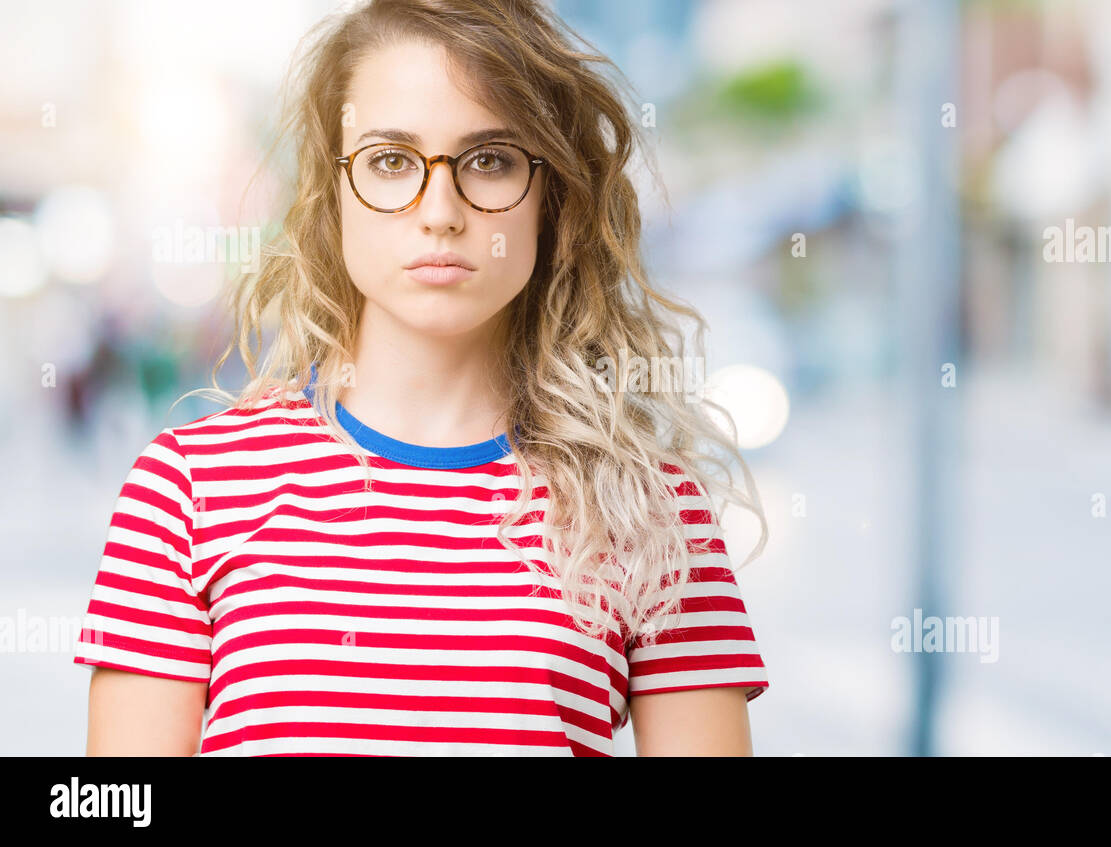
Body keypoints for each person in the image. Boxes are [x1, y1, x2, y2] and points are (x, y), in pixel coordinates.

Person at [74, 0, 770, 757]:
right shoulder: (188, 490)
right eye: (391, 161)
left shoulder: (651, 508)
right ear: (332, 192)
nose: (440, 212)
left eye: (491, 159)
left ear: (551, 199)